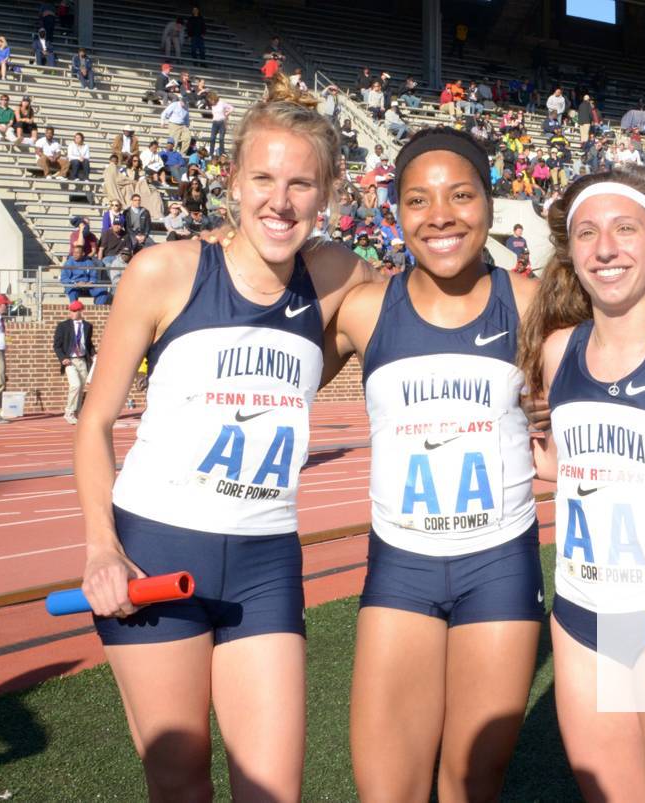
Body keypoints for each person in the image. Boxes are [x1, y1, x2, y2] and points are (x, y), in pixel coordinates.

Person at [74, 74, 374, 800]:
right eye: (263, 177)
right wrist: (101, 545)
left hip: (266, 562)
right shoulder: (165, 272)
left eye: (302, 183)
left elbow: (423, 315)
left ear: (327, 192)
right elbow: (94, 422)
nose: (281, 199)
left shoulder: (338, 276)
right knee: (179, 782)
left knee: (272, 786)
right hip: (156, 548)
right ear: (233, 181)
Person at [329, 127, 543, 801]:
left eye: (460, 195)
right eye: (418, 200)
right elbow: (275, 374)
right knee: (387, 787)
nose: (440, 215)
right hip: (401, 565)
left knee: (472, 781)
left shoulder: (530, 303)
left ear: (489, 201)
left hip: (499, 562)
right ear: (396, 213)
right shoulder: (365, 310)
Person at [518, 169, 645, 801]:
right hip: (583, 617)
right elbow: (562, 463)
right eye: (588, 233)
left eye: (624, 229)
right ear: (572, 252)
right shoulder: (557, 352)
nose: (605, 248)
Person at [54, 300, 95, 424]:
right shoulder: (63, 326)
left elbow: (88, 343)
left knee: (82, 387)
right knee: (75, 385)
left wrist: (93, 354)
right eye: (71, 310)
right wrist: (63, 358)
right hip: (69, 361)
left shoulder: (88, 326)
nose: (72, 313)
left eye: (75, 311)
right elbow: (57, 345)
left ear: (81, 311)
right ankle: (69, 411)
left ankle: (77, 412)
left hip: (82, 360)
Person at [207, 92, 233, 157]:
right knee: (212, 138)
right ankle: (211, 153)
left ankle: (222, 153)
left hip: (222, 122)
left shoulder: (221, 103)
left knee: (221, 138)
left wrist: (227, 113)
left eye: (211, 100)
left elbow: (231, 108)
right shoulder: (212, 105)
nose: (211, 102)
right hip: (215, 122)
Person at [0, 293, 7, 423]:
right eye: (5, 304)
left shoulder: (0, 318)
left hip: (0, 350)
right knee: (0, 381)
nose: (6, 307)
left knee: (0, 382)